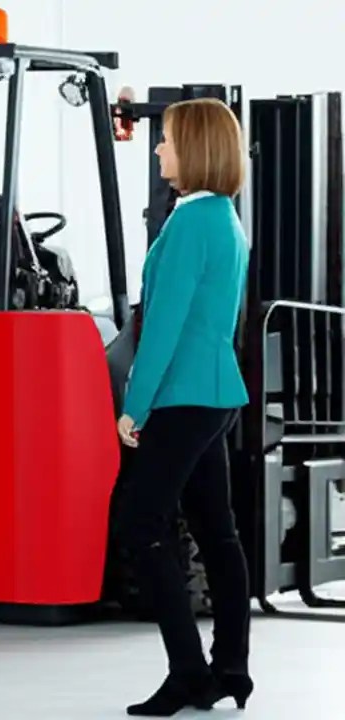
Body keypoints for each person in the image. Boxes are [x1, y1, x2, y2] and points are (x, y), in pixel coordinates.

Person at [114, 97, 253, 718]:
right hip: (217, 393)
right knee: (217, 532)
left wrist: (132, 406)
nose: (158, 148)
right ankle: (230, 667)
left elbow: (162, 327)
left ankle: (187, 673)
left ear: (193, 148)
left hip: (181, 397)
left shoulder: (190, 222)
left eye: (166, 139)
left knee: (139, 525)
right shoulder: (225, 218)